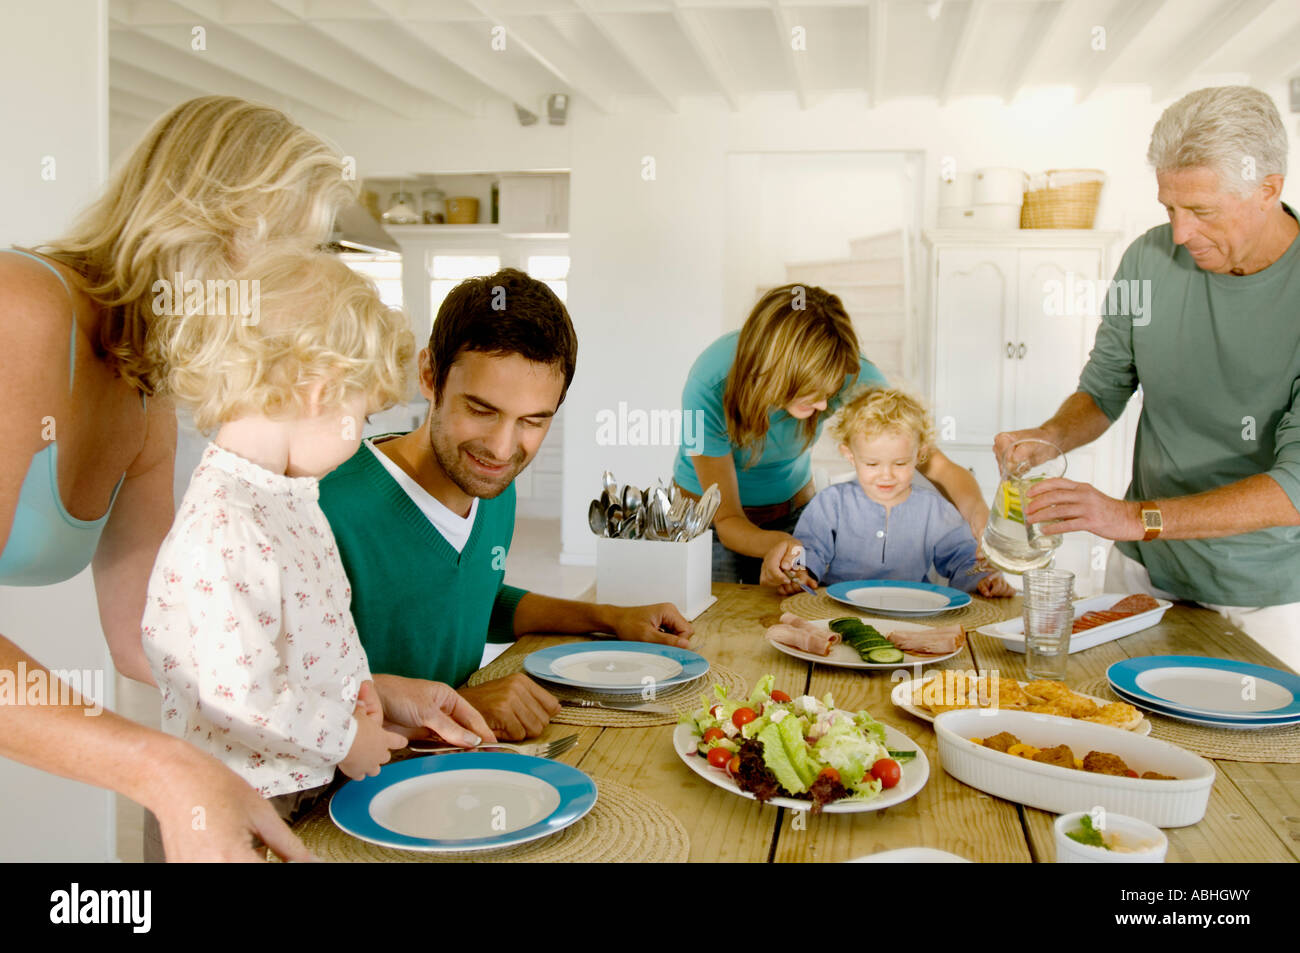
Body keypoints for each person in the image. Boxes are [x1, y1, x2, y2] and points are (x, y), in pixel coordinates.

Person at [0, 96, 360, 861]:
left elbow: (153, 637)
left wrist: (345, 703)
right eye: (289, 260)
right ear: (213, 229)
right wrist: (159, 768)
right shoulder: (20, 309)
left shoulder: (147, 392)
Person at [137, 248, 493, 861]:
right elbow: (236, 693)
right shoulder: (226, 524)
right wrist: (344, 736)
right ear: (318, 391)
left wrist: (363, 700)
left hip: (297, 778)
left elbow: (301, 642)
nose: (362, 434)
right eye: (362, 414)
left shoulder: (287, 496)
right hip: (236, 807)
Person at [995, 86, 1300, 672]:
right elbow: (1105, 386)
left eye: (1203, 211)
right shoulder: (1148, 259)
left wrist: (1130, 517)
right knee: (1118, 742)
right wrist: (1050, 437)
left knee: (1260, 763)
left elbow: (1294, 485)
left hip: (1269, 597)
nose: (1180, 234)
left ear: (1268, 190)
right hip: (1144, 574)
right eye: (1170, 209)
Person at [318, 268, 695, 742]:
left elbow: (474, 597)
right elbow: (276, 703)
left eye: (533, 421)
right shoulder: (328, 506)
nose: (501, 448)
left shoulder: (493, 487)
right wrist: (451, 709)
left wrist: (610, 617)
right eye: (481, 410)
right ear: (429, 375)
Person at [672, 283, 989, 595]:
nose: (825, 407)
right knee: (714, 623)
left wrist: (977, 513)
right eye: (814, 395)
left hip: (791, 512)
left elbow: (938, 467)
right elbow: (728, 520)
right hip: (707, 521)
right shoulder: (708, 384)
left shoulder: (850, 373)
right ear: (779, 372)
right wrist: (781, 546)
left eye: (830, 392)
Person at [775, 387, 1014, 596]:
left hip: (914, 614)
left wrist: (985, 579)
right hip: (840, 610)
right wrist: (800, 573)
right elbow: (809, 549)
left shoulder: (934, 509)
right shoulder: (830, 503)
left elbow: (963, 557)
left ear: (919, 455)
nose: (886, 475)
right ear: (850, 456)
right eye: (872, 464)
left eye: (900, 464)